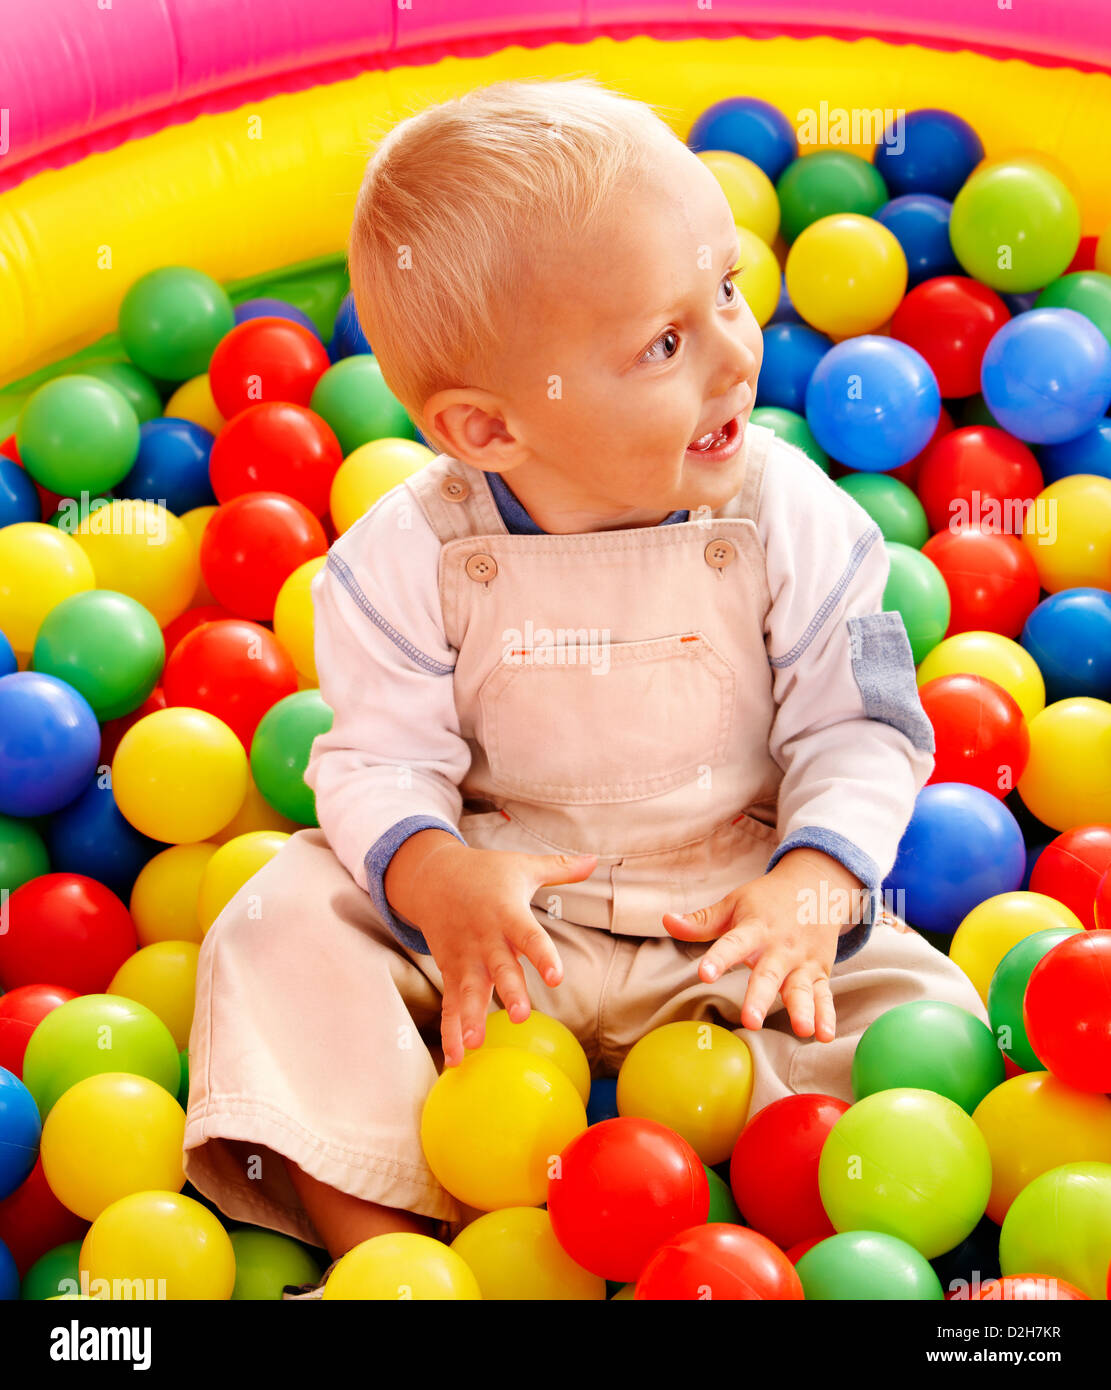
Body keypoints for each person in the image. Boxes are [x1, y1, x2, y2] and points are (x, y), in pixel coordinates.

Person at [184, 76, 987, 1296]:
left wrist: (813, 883)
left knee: (924, 1009)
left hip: (730, 922)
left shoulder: (801, 518)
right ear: (488, 430)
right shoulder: (398, 561)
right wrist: (435, 875)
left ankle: (823, 1236)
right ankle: (390, 1249)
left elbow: (869, 720)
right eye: (663, 342)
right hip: (503, 942)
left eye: (723, 288)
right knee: (277, 916)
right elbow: (373, 761)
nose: (732, 352)